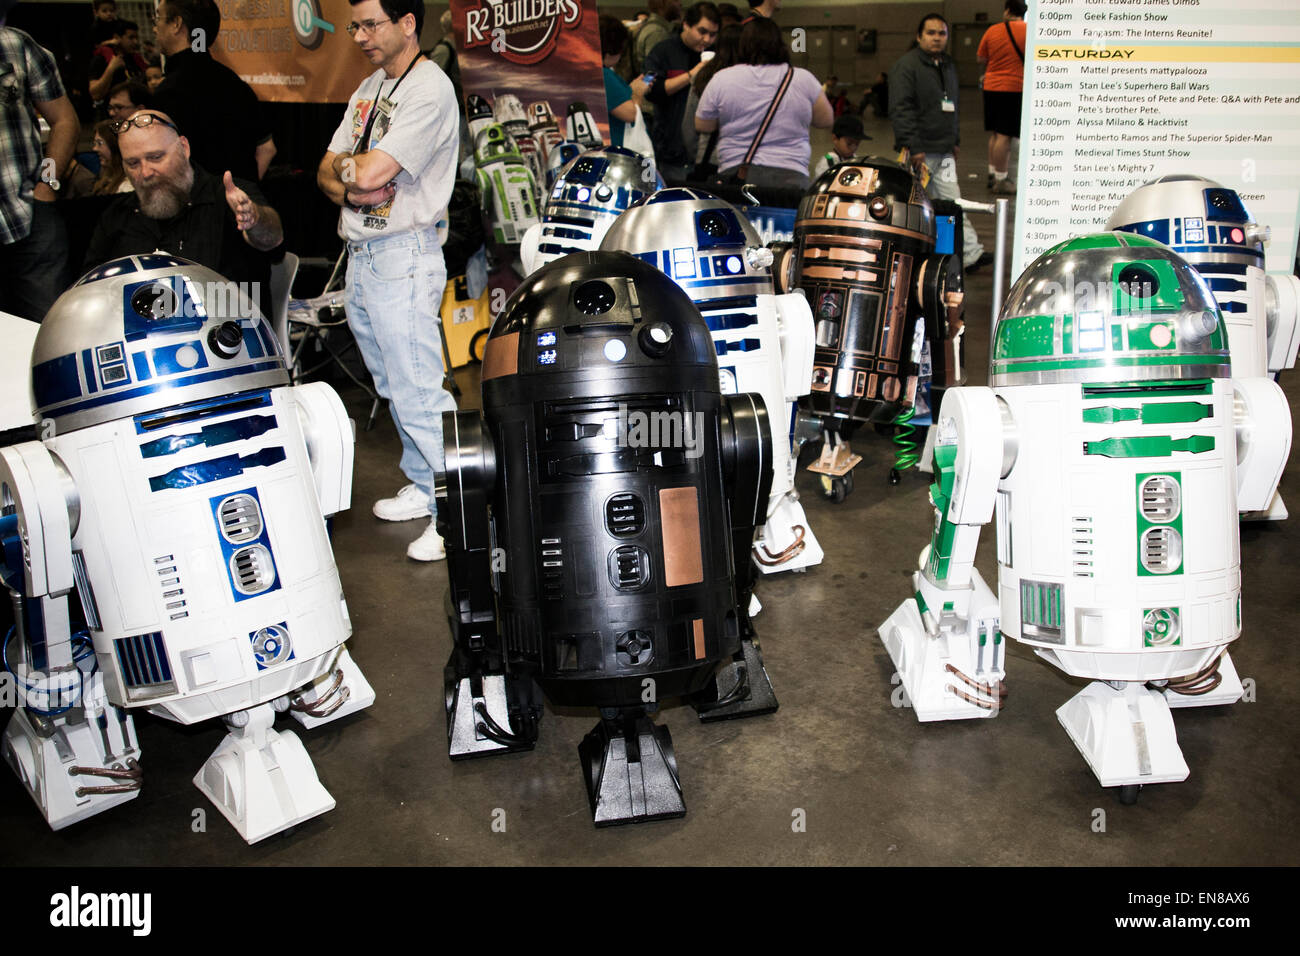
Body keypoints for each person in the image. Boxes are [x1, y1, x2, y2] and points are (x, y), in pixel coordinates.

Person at [316, 0, 460, 562]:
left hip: (405, 254)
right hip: (363, 255)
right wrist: (354, 182)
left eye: (370, 24)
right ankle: (426, 487)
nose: (359, 35)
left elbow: (370, 171)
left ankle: (459, 509)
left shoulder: (429, 89)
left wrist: (356, 174)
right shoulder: (370, 88)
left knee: (421, 388)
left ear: (407, 24)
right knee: (391, 383)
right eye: (354, 26)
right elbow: (328, 167)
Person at [85, 110, 283, 314]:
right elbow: (89, 289)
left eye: (156, 157)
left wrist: (254, 219)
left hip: (228, 332)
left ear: (184, 148)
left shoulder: (227, 196)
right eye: (133, 163)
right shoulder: (117, 216)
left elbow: (273, 240)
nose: (145, 172)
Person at [889, 12, 991, 273]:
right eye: (931, 33)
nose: (937, 38)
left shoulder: (947, 65)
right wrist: (914, 146)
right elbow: (901, 109)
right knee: (911, 205)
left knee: (953, 203)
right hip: (918, 152)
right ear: (919, 36)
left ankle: (970, 254)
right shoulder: (907, 66)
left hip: (943, 150)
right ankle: (904, 255)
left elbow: (952, 106)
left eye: (941, 33)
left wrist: (954, 140)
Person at [0, 19, 79, 322]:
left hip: (30, 216)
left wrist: (47, 184)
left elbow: (64, 121)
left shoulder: (18, 46)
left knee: (48, 332)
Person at [695, 16, 831, 191]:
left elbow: (702, 125)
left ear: (743, 45)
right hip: (791, 174)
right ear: (779, 44)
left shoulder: (723, 78)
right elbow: (825, 119)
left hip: (737, 173)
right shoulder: (802, 78)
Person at [151, 0, 276, 181]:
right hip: (240, 201)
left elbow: (163, 164)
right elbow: (267, 149)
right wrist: (245, 190)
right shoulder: (237, 85)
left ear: (176, 24)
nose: (155, 28)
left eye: (158, 19)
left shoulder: (169, 92)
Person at [636, 1, 719, 182]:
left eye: (712, 34)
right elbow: (651, 89)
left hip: (704, 155)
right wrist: (692, 75)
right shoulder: (663, 51)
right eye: (702, 31)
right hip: (669, 151)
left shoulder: (717, 54)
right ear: (686, 25)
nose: (706, 40)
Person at [977, 0, 1026, 194]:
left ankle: (992, 172)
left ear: (1007, 11)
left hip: (991, 86)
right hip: (1014, 87)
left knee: (997, 134)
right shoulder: (1028, 31)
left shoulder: (992, 30)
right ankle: (1001, 179)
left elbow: (980, 57)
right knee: (1005, 137)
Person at [681, 21, 740, 176]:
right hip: (739, 163)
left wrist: (697, 157)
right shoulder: (749, 80)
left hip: (706, 158)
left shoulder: (704, 75)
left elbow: (688, 127)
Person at [601, 14, 643, 150]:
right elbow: (630, 114)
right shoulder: (604, 75)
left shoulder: (597, 73)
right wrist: (638, 93)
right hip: (615, 149)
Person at [88, 17, 146, 104]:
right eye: (131, 38)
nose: (135, 42)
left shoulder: (135, 59)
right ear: (117, 38)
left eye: (136, 38)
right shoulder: (101, 59)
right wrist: (111, 69)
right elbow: (95, 94)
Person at [812, 113, 864, 179]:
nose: (853, 148)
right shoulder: (828, 162)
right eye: (849, 144)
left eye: (857, 144)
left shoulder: (857, 160)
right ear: (835, 139)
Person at [90, 120, 131, 194]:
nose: (94, 148)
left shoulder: (126, 187)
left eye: (100, 143)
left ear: (115, 145)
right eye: (95, 143)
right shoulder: (106, 177)